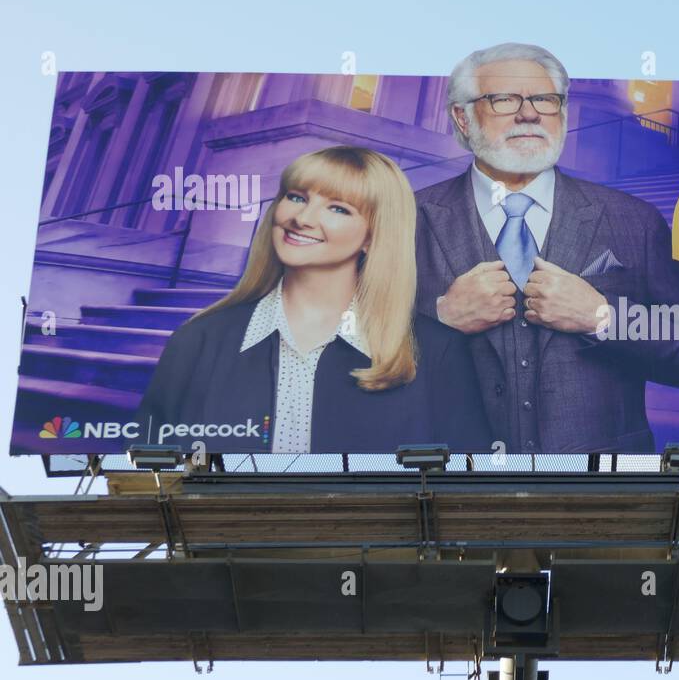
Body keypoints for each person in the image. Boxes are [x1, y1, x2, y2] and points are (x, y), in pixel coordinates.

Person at [414, 42, 679, 453]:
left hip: (601, 495)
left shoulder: (634, 219)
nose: (529, 113)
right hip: (449, 490)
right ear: (463, 115)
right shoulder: (407, 217)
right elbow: (343, 357)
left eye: (544, 99)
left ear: (561, 112)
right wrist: (440, 320)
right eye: (505, 99)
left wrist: (603, 318)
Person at [136, 146, 490, 453]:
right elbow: (141, 478)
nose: (302, 219)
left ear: (373, 236)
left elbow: (465, 497)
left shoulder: (437, 352)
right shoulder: (198, 339)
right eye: (297, 197)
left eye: (338, 209)